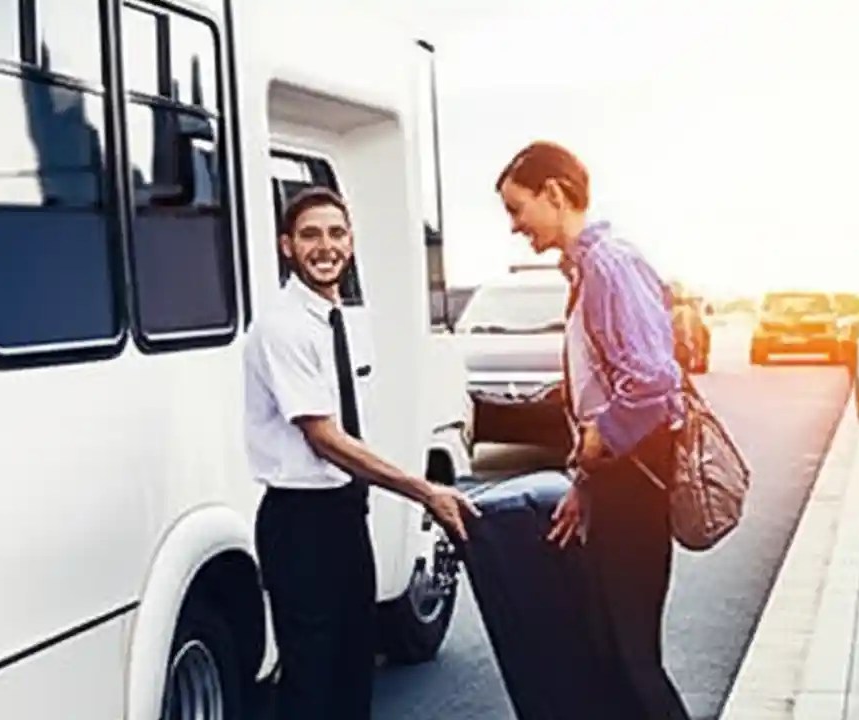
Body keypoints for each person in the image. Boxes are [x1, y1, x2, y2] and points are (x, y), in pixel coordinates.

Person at [244, 186, 480, 720]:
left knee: (354, 671)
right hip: (299, 522)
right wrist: (424, 490)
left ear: (350, 242)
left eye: (335, 233)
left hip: (346, 516)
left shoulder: (343, 320)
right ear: (286, 246)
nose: (324, 246)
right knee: (311, 683)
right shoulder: (282, 326)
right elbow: (325, 437)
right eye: (309, 235)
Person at [495, 140, 691, 719]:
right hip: (615, 481)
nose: (514, 226)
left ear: (553, 194)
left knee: (631, 659)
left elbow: (654, 381)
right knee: (609, 649)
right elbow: (601, 385)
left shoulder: (609, 265)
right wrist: (584, 482)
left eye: (516, 208)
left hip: (636, 480)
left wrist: (600, 442)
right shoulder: (587, 269)